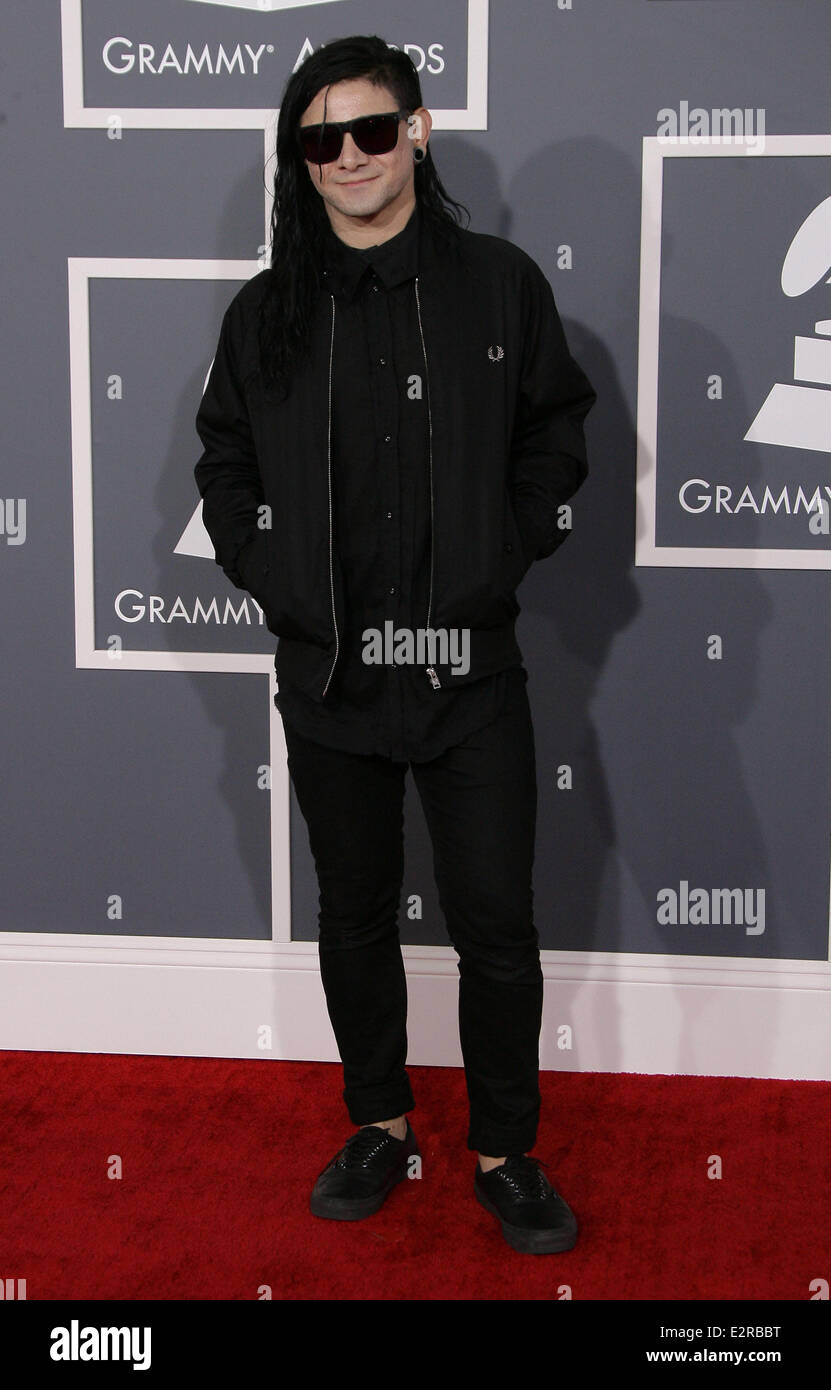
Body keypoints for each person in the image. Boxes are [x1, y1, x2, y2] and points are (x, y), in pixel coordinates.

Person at [194, 34, 596, 1255]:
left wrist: (499, 551)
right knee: (356, 914)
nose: (350, 157)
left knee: (496, 924)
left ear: (417, 130)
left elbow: (556, 433)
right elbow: (224, 466)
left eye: (372, 130)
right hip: (330, 678)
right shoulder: (267, 311)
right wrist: (276, 579)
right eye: (322, 141)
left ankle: (504, 1151)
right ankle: (381, 1122)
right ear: (300, 161)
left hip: (469, 671)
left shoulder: (499, 286)